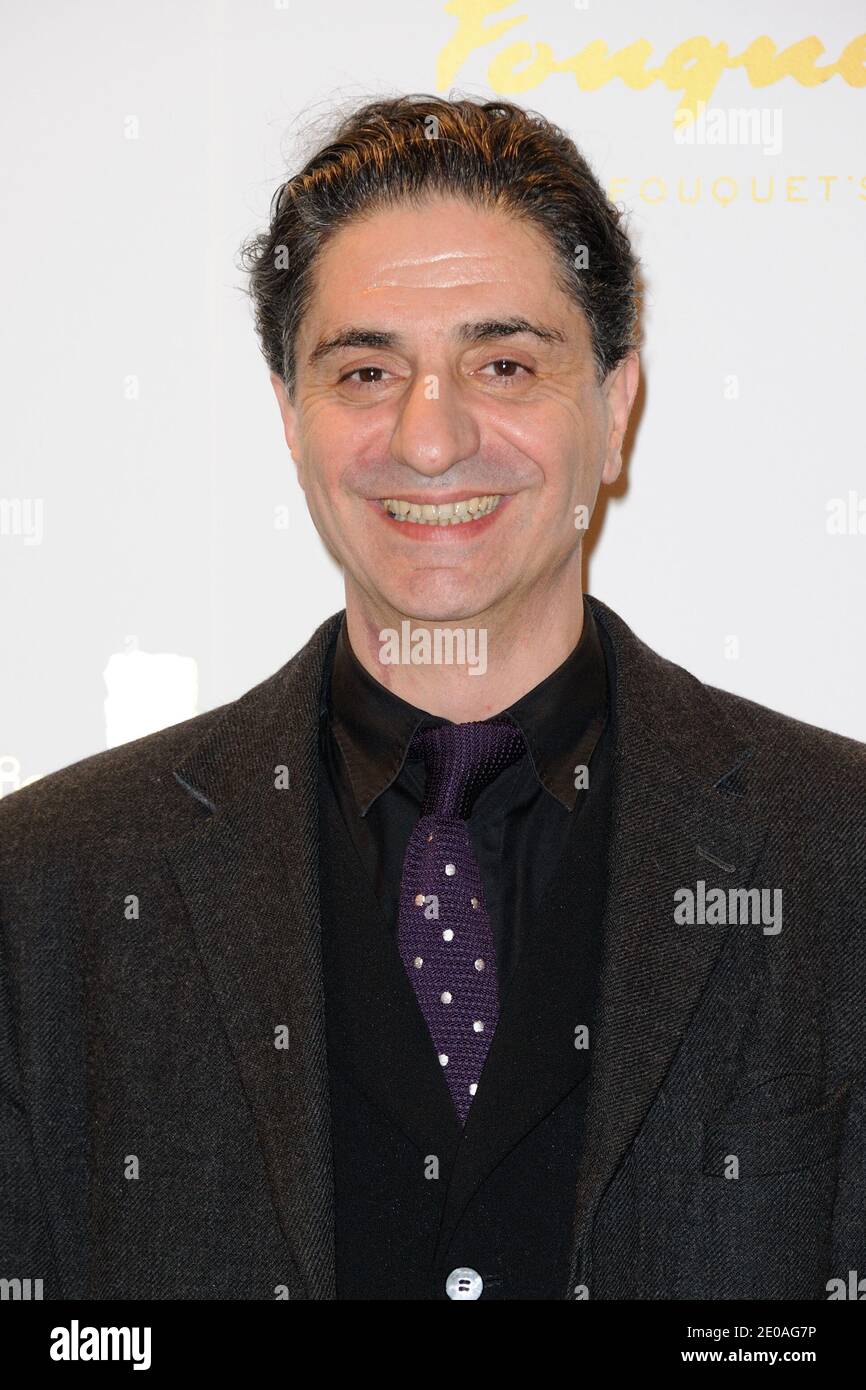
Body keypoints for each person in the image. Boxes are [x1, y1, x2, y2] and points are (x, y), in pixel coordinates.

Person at [1, 95, 864, 1302]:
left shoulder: (840, 852)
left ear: (613, 409)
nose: (427, 436)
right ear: (288, 419)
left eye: (501, 362)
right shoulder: (48, 889)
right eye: (365, 370)